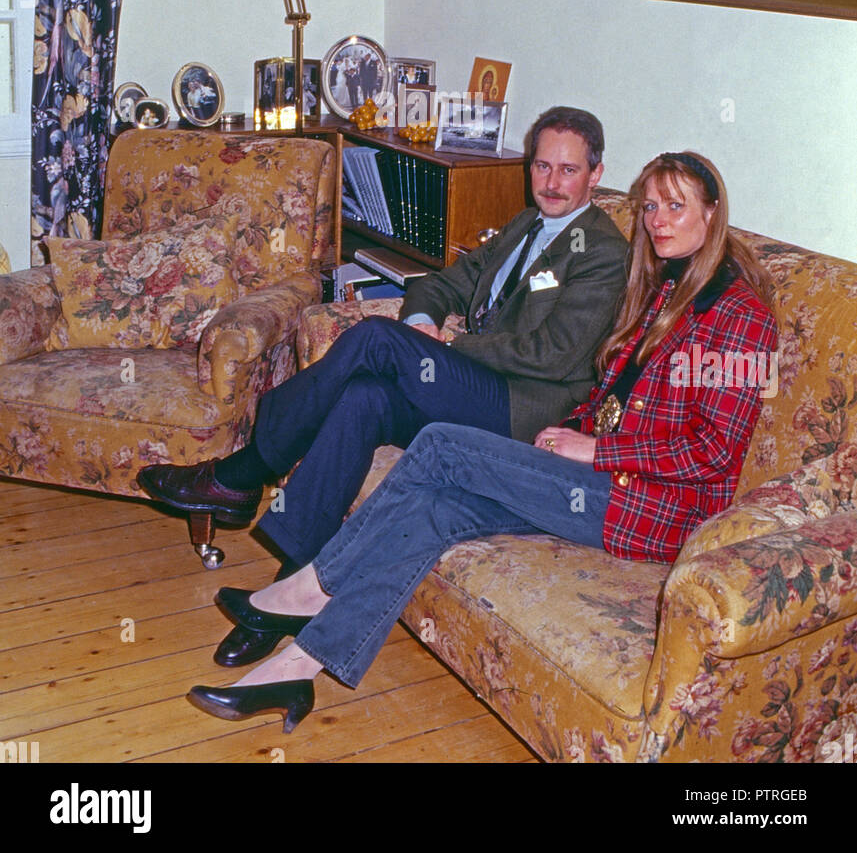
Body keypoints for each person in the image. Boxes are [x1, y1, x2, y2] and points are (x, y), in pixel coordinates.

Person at [184, 149, 778, 731]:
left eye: (675, 206)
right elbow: (617, 386)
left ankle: (315, 585)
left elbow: (715, 452)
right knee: (436, 508)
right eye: (649, 207)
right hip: (600, 475)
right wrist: (577, 427)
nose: (657, 221)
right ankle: (299, 666)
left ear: (713, 210)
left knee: (444, 443)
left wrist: (597, 450)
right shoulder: (665, 288)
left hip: (651, 505)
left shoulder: (740, 314)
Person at [138, 106, 628, 666]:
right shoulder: (525, 224)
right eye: (542, 167)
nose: (552, 183)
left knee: (374, 338)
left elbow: (555, 354)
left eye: (568, 170)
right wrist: (422, 321)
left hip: (519, 410)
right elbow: (445, 283)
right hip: (473, 386)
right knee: (363, 399)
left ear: (596, 173)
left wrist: (450, 347)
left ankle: (241, 472)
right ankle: (289, 592)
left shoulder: (603, 251)